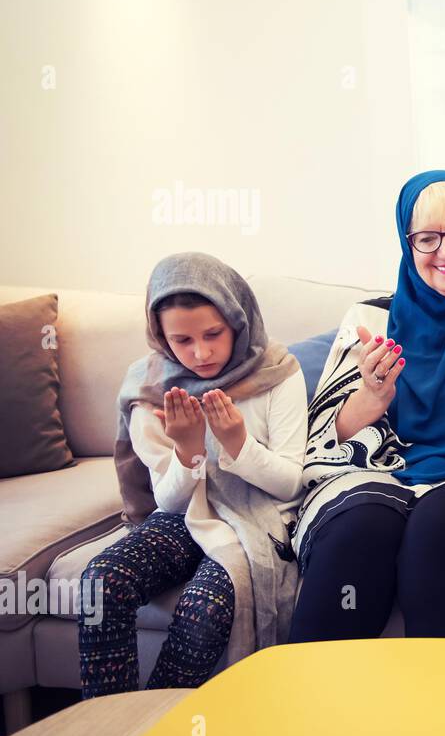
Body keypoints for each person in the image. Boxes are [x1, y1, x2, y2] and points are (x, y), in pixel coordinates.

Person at [288, 171, 445, 642]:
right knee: (358, 526)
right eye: (428, 239)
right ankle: (316, 708)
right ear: (408, 243)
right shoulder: (369, 319)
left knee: (440, 526)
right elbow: (323, 436)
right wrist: (372, 397)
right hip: (378, 474)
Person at [85, 251, 307, 697]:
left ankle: (158, 729)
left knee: (206, 608)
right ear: (161, 337)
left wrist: (238, 445)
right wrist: (188, 452)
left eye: (213, 334)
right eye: (182, 341)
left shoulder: (278, 373)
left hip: (255, 518)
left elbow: (289, 482)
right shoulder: (148, 386)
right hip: (181, 515)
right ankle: (110, 728)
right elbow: (167, 503)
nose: (201, 353)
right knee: (100, 582)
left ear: (237, 322)